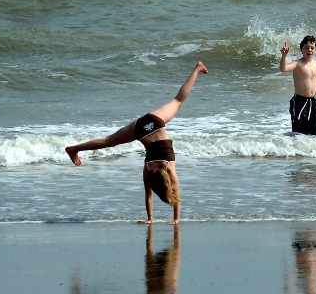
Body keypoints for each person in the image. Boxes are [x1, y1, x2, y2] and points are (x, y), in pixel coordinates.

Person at [65, 61, 208, 225]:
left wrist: (176, 219)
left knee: (178, 100)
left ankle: (197, 68)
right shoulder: (148, 169)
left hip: (152, 122)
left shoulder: (168, 167)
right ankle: (73, 149)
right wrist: (152, 219)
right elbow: (149, 194)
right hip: (141, 130)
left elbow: (175, 192)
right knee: (109, 141)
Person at [279, 35, 316, 135]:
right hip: (300, 101)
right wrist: (284, 56)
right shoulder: (297, 63)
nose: (309, 50)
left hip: (312, 102)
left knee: (313, 134)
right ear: (301, 50)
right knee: (299, 133)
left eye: (312, 48)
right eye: (306, 48)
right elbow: (283, 69)